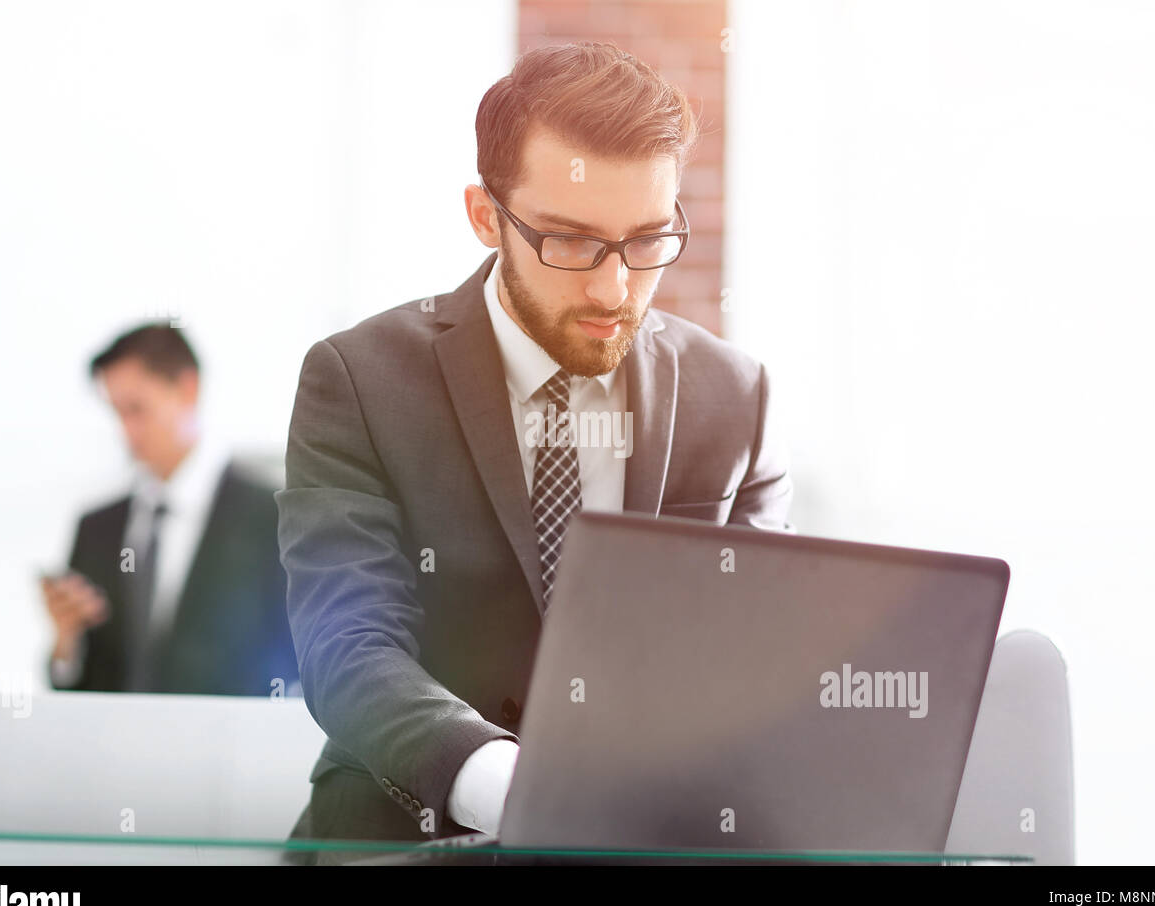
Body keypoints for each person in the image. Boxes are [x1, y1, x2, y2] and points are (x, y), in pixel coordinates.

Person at [277, 41, 793, 859]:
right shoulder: (358, 381)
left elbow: (757, 654)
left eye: (648, 240)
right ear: (487, 216)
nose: (611, 288)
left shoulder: (734, 397)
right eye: (571, 241)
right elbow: (347, 647)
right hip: (404, 835)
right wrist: (505, 785)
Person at [42, 323, 299, 696]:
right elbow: (84, 684)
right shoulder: (97, 528)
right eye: (116, 412)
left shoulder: (271, 517)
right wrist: (66, 643)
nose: (126, 431)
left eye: (137, 409)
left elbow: (293, 664)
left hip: (228, 748)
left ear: (187, 389)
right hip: (115, 750)